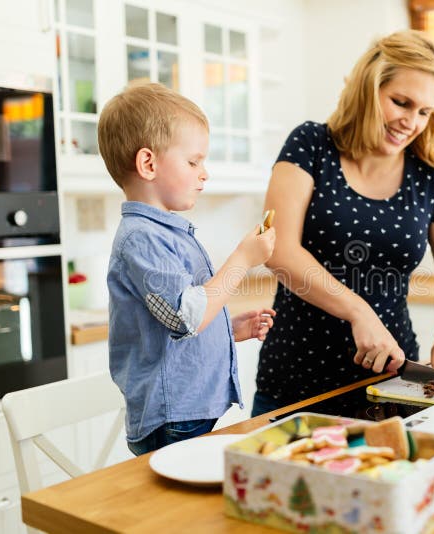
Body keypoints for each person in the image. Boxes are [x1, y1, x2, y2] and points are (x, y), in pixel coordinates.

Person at [253, 30, 434, 415]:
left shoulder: (433, 175)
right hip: (296, 384)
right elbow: (279, 251)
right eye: (401, 102)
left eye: (425, 112)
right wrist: (359, 311)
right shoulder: (310, 145)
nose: (411, 121)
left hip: (393, 385)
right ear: (367, 88)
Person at [98, 82, 276, 454]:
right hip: (174, 417)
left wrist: (228, 329)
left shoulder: (163, 232)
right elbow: (183, 317)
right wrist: (243, 259)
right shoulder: (142, 239)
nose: (204, 173)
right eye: (193, 161)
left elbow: (181, 316)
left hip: (187, 411)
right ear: (148, 164)